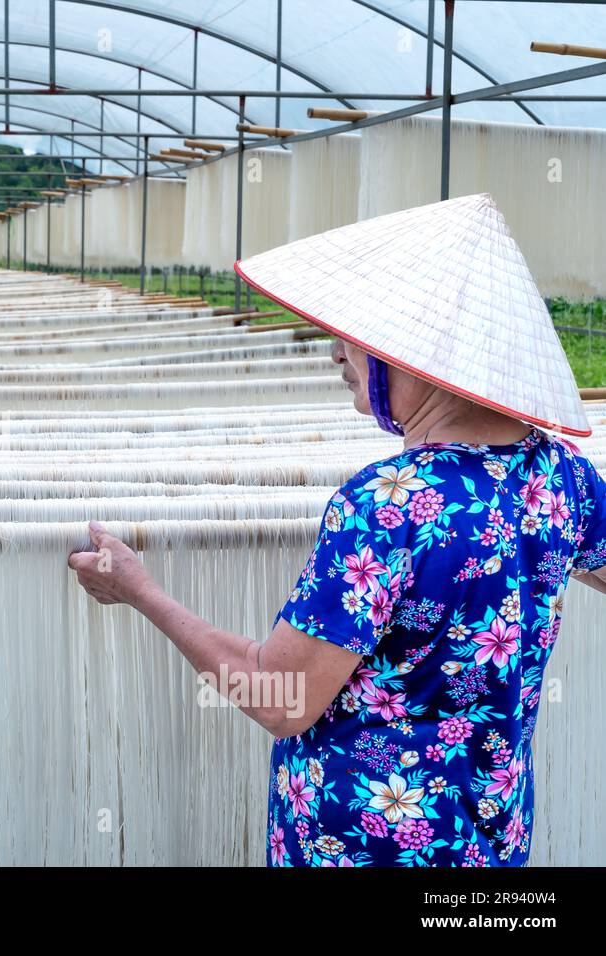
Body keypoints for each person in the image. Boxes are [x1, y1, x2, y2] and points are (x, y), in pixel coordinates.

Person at [68, 193, 606, 866]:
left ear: (416, 352)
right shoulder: (564, 479)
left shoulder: (387, 507)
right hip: (487, 845)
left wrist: (142, 592)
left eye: (354, 339)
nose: (336, 355)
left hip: (362, 846)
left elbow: (280, 697)